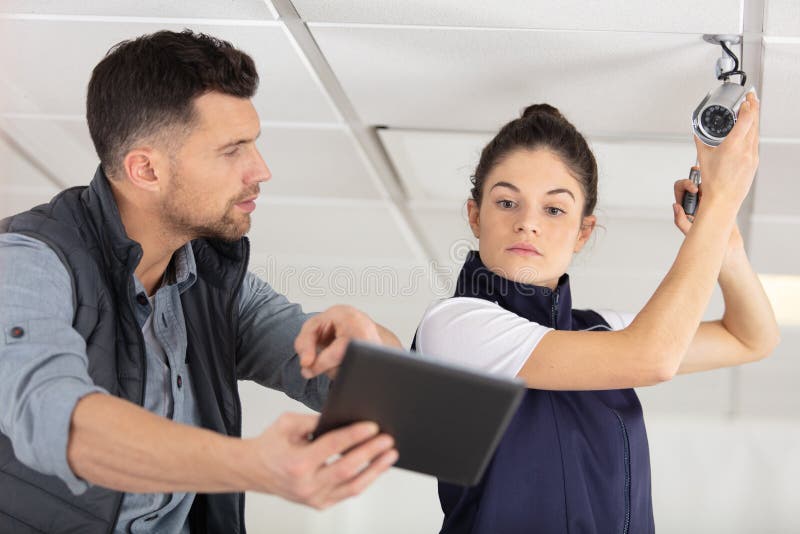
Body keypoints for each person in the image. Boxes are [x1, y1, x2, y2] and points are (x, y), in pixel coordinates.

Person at [0, 30, 400, 534]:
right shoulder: (25, 264)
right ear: (146, 169)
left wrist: (371, 353)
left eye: (254, 144)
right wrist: (253, 464)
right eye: (233, 150)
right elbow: (58, 420)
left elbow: (363, 388)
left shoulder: (214, 281)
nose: (262, 170)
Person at [407, 99, 780, 533]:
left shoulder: (599, 333)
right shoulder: (456, 326)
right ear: (475, 216)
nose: (528, 223)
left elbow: (751, 338)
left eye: (554, 209)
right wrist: (721, 203)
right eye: (507, 203)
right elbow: (651, 357)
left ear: (583, 231)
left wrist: (723, 236)